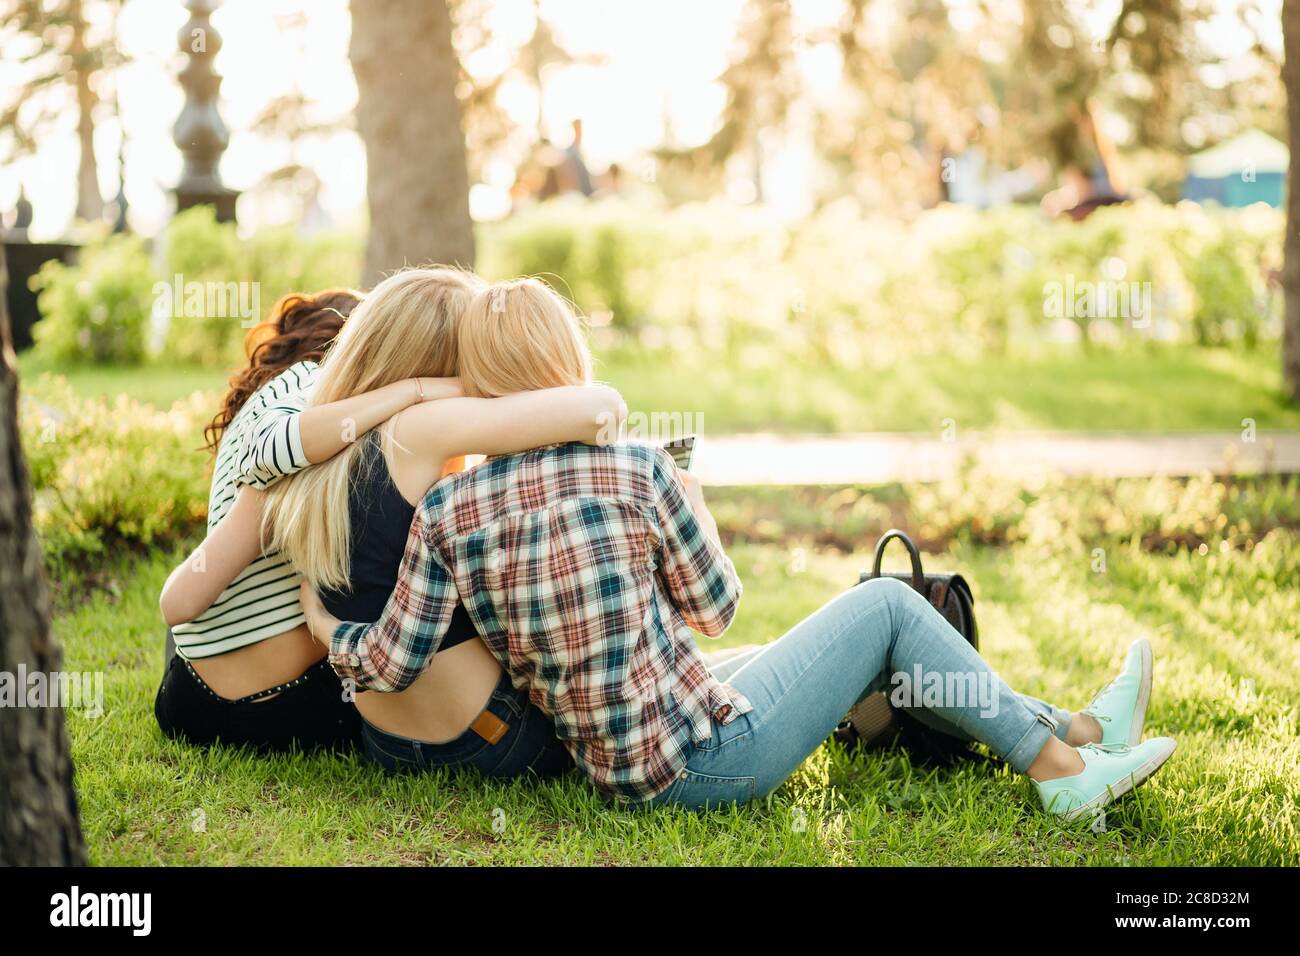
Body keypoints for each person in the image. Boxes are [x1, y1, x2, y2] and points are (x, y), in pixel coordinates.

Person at [303, 278, 1177, 818]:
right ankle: (1062, 771)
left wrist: (322, 619)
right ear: (565, 359)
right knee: (883, 608)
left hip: (611, 758)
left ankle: (1084, 727)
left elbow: (388, 657)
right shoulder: (634, 469)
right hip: (699, 764)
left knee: (818, 647)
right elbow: (714, 611)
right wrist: (687, 500)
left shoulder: (449, 507)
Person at [165, 268, 626, 779]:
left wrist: (410, 390)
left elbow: (181, 602)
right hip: (290, 704)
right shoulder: (388, 429)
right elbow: (600, 408)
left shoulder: (311, 408)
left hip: (188, 691)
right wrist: (436, 391)